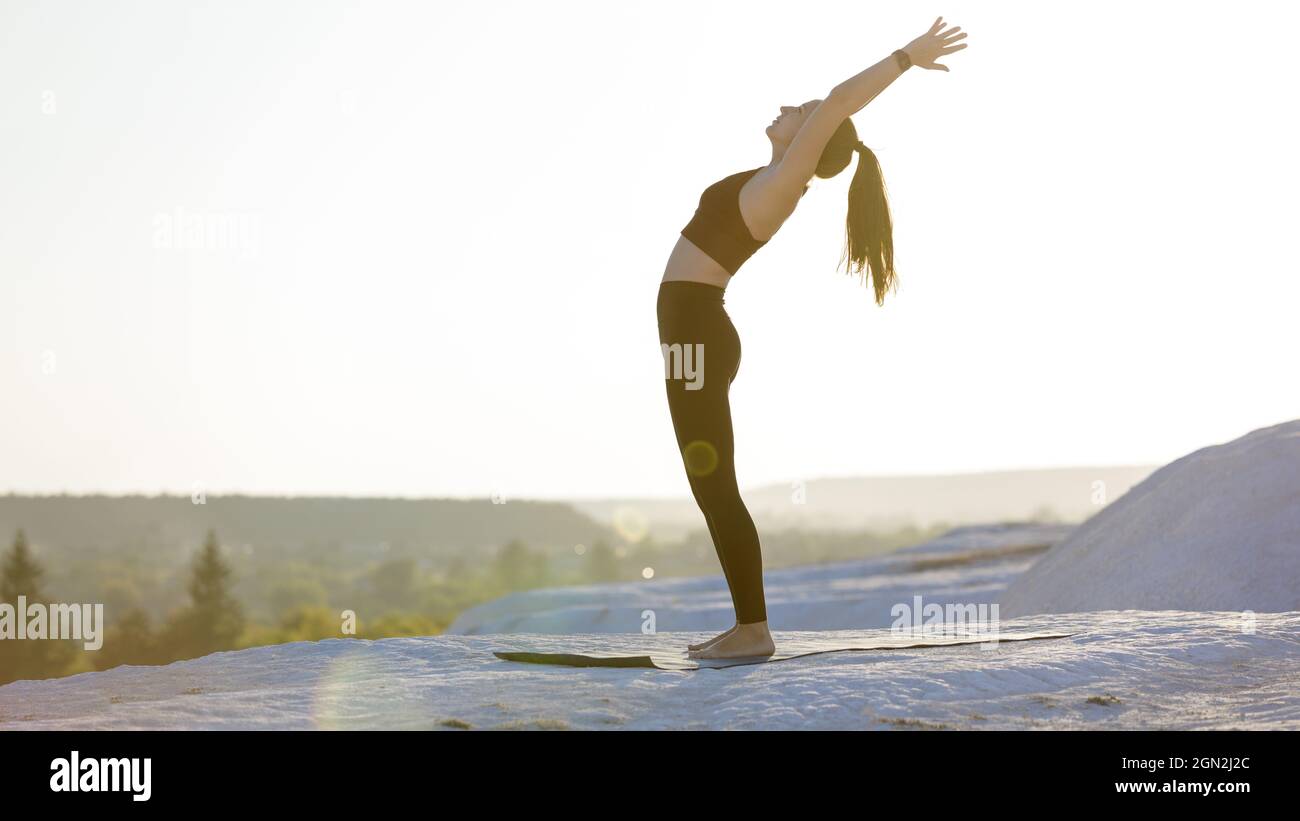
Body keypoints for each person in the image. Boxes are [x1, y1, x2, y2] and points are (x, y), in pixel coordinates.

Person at [657, 17, 968, 659]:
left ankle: (753, 631)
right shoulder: (769, 178)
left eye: (801, 110)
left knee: (715, 488)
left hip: (696, 337)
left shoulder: (783, 186)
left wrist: (905, 57)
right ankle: (749, 626)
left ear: (816, 140)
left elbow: (838, 103)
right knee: (711, 487)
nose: (788, 107)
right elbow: (828, 110)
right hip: (693, 336)